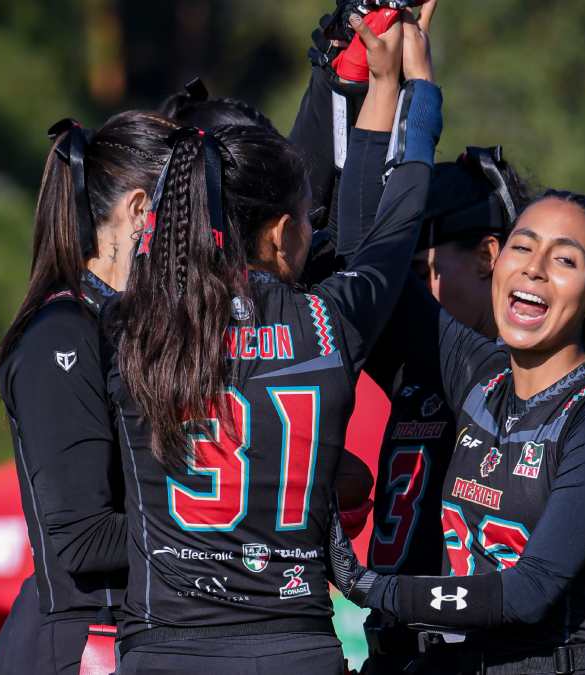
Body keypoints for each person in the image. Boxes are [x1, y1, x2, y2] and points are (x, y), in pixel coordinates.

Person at [107, 13, 440, 674]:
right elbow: (393, 215)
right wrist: (410, 87)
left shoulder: (132, 320)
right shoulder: (329, 319)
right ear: (285, 229)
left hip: (166, 653)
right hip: (294, 652)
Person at [330, 178, 585, 672]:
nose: (535, 269)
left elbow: (528, 592)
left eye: (564, 260)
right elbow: (362, 260)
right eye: (522, 247)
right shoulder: (478, 374)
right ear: (497, 260)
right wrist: (389, 106)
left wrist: (368, 585)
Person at [0, 111, 176, 675]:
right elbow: (83, 539)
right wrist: (226, 523)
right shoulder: (62, 332)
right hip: (76, 646)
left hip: (130, 637)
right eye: (184, 215)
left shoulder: (126, 323)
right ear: (140, 211)